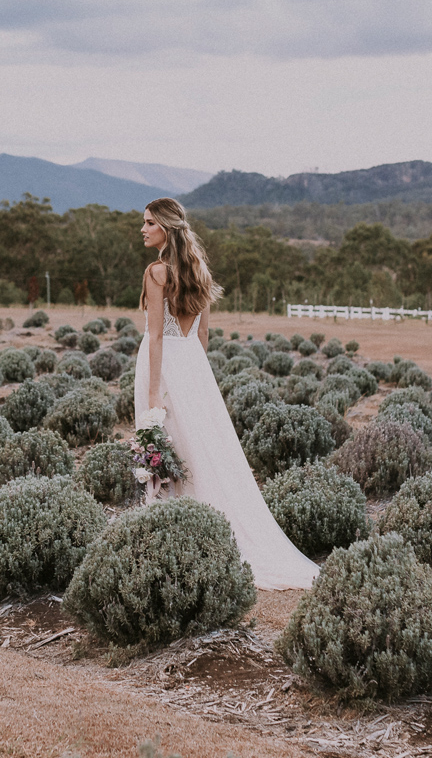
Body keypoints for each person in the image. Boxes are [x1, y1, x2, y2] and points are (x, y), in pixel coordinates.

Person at [135, 197, 320, 591]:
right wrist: (195, 382)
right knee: (199, 451)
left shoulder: (157, 272)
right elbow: (202, 336)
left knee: (172, 449)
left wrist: (154, 392)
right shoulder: (199, 270)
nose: (143, 229)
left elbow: (154, 335)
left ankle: (177, 531)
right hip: (193, 368)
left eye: (149, 223)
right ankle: (200, 526)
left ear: (166, 229)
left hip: (165, 366)